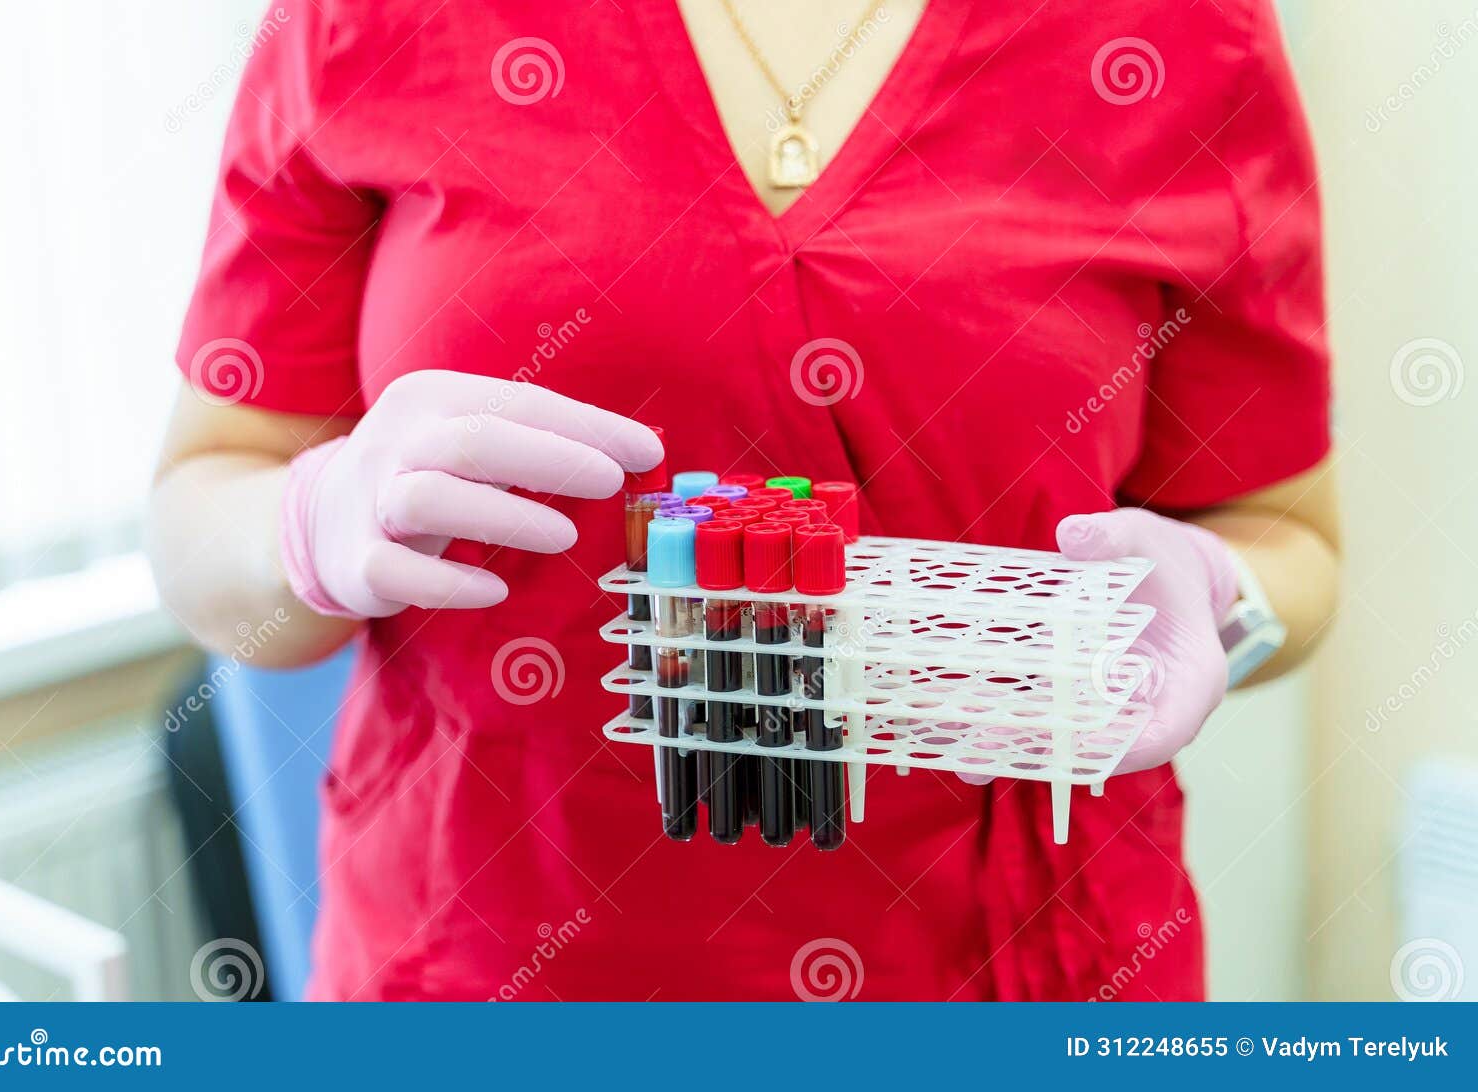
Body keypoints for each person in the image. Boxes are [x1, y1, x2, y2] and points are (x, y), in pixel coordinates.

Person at [148, 0, 1339, 1000]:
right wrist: (306, 524)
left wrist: (1227, 601)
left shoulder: (1177, 38)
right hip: (499, 961)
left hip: (1013, 969)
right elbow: (205, 504)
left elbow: (1287, 536)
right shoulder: (368, 21)